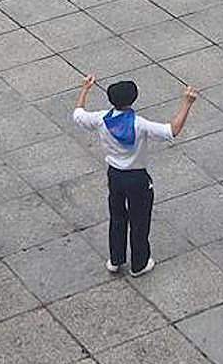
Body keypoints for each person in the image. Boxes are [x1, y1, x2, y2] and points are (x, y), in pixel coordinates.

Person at [73, 74, 197, 277]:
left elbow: (78, 114)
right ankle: (139, 264)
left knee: (117, 216)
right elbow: (172, 130)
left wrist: (85, 89)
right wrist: (187, 103)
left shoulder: (101, 119)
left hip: (115, 176)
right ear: (133, 99)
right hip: (137, 178)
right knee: (139, 221)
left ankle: (115, 259)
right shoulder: (139, 124)